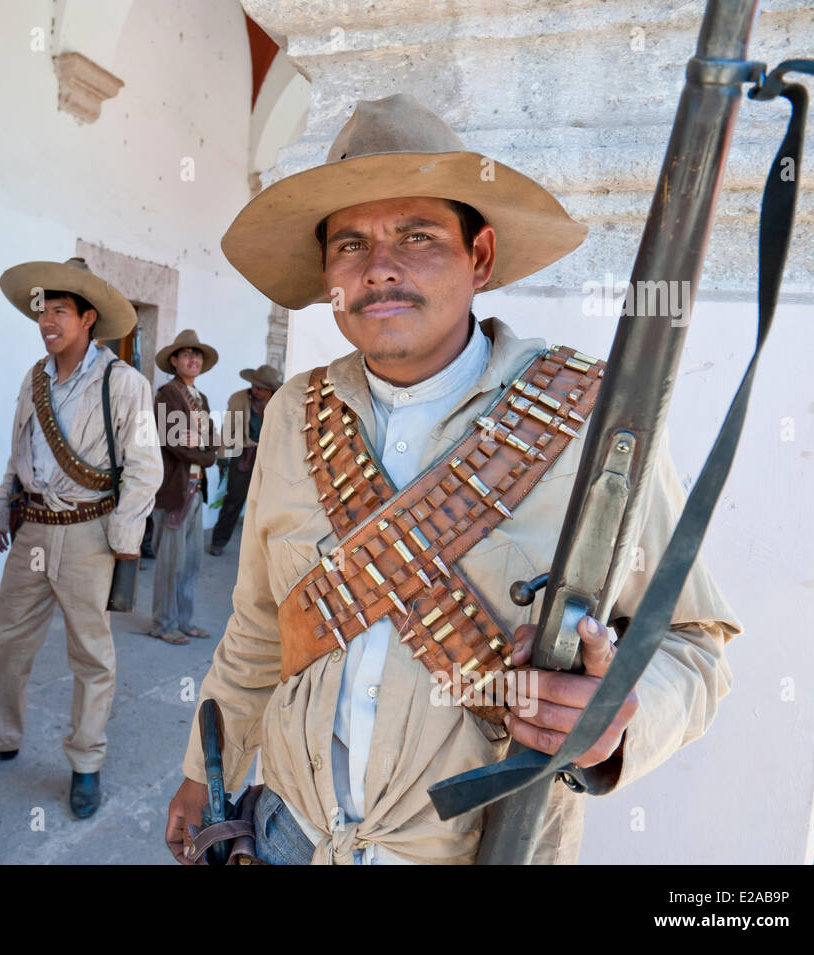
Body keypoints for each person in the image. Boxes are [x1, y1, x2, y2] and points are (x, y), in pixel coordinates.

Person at [163, 94, 740, 865]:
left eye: (418, 235)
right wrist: (204, 772)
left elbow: (694, 643)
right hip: (287, 837)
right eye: (349, 245)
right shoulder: (297, 410)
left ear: (482, 257)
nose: (380, 267)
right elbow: (260, 627)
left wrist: (616, 721)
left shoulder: (590, 421)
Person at [0, 258, 162, 819]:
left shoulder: (127, 384)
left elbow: (146, 464)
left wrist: (124, 535)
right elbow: (18, 450)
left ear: (88, 318)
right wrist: (3, 508)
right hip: (33, 530)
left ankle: (85, 763)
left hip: (87, 533)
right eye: (42, 312)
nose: (47, 322)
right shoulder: (34, 379)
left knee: (90, 654)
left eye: (59, 312)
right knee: (9, 640)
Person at [149, 330, 220, 644]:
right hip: (175, 489)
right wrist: (206, 455)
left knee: (191, 562)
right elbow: (174, 440)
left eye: (198, 354)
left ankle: (184, 620)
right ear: (174, 360)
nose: (194, 359)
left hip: (195, 488)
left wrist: (206, 448)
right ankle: (163, 624)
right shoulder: (167, 394)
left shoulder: (200, 398)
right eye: (186, 354)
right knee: (170, 563)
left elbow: (214, 439)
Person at [208, 364, 280, 556]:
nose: (255, 390)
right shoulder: (239, 398)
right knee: (233, 501)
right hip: (244, 454)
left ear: (270, 390)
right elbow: (227, 430)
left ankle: (262, 550)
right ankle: (218, 541)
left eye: (260, 388)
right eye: (253, 385)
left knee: (268, 505)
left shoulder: (280, 402)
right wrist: (222, 458)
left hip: (270, 457)